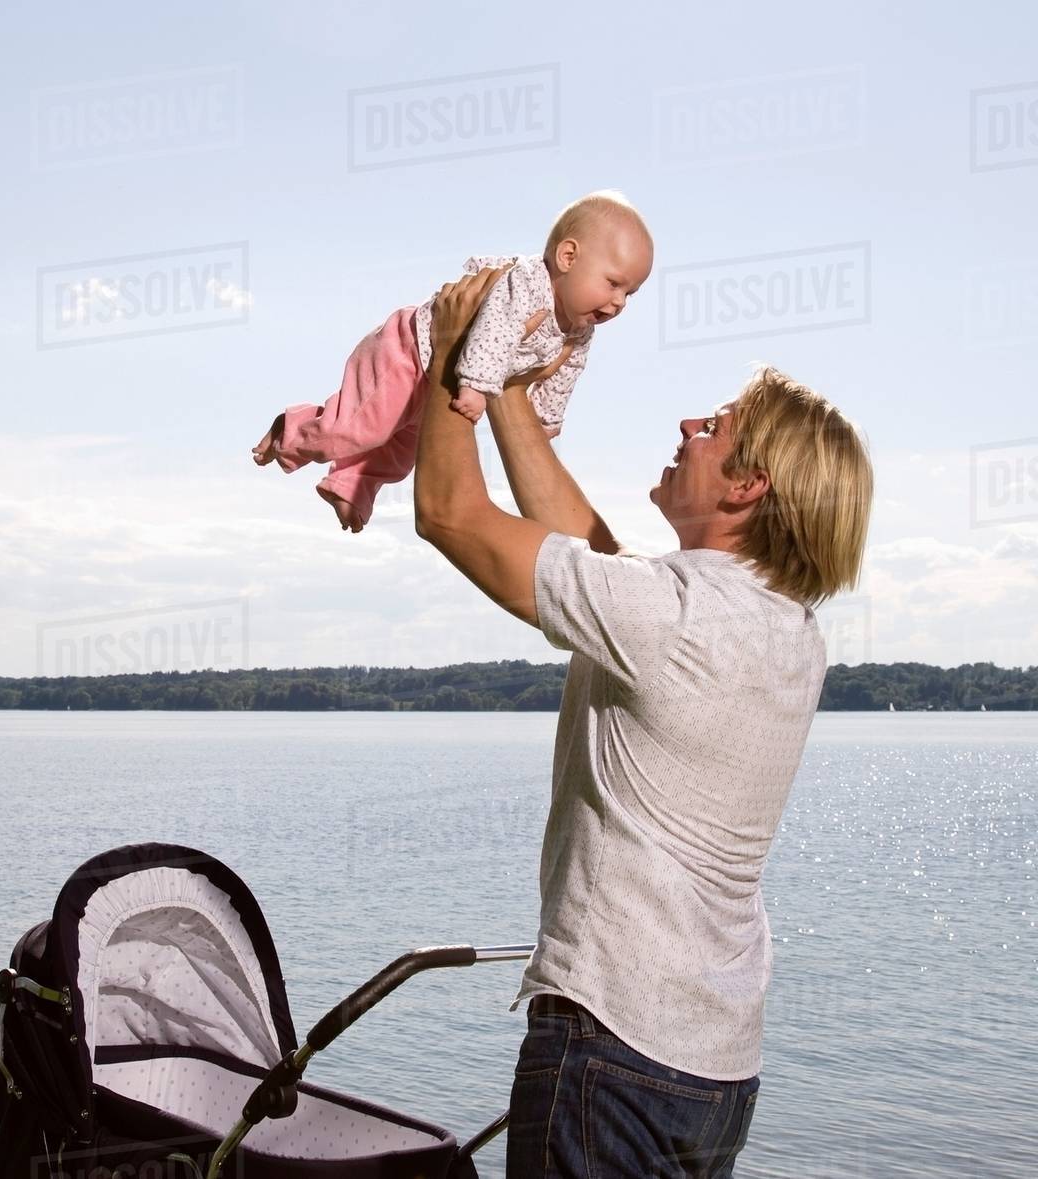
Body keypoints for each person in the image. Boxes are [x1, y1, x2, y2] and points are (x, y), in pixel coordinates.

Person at [413, 268, 873, 1178]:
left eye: (715, 429)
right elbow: (592, 562)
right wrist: (506, 386)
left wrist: (451, 358)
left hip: (610, 1050)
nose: (688, 428)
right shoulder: (785, 629)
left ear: (748, 488)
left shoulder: (667, 616)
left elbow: (450, 514)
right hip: (714, 1070)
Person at [251, 190, 653, 532]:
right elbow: (495, 329)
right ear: (568, 256)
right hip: (409, 350)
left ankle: (350, 486)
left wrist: (546, 419)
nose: (618, 302)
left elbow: (565, 372)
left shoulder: (579, 329)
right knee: (359, 427)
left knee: (402, 447)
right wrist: (476, 385)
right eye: (613, 283)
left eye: (630, 293)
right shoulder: (527, 283)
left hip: (437, 380)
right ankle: (294, 428)